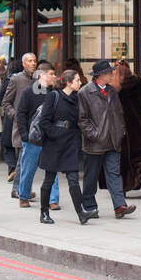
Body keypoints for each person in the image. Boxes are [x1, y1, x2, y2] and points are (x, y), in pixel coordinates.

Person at [78, 59, 134, 219]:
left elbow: (119, 113)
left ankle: (120, 206)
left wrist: (120, 131)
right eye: (109, 72)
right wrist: (95, 135)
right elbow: (82, 120)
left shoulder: (112, 91)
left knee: (114, 174)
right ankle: (89, 207)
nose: (112, 74)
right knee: (91, 176)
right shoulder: (84, 92)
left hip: (113, 140)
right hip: (95, 143)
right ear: (101, 75)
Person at [34, 70, 92, 225]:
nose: (80, 83)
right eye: (77, 80)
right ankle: (44, 213)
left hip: (71, 142)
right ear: (68, 82)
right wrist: (56, 134)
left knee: (73, 178)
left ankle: (81, 212)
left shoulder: (77, 98)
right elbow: (44, 121)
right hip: (54, 143)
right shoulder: (54, 96)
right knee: (49, 179)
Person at [15, 64, 60, 209]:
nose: (54, 77)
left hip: (50, 137)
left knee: (52, 169)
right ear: (41, 75)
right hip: (32, 138)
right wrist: (24, 134)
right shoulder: (29, 92)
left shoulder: (55, 93)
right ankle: (24, 196)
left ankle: (53, 200)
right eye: (51, 74)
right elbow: (21, 114)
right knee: (28, 169)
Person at [115, 60, 141, 198]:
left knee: (123, 159)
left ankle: (124, 187)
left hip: (121, 129)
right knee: (140, 157)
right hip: (139, 127)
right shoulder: (140, 84)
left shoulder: (116, 87)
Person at [1, 53, 39, 188]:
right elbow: (5, 102)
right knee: (24, 157)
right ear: (23, 64)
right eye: (30, 61)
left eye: (34, 61)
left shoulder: (38, 78)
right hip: (22, 125)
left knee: (29, 160)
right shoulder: (16, 79)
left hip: (37, 125)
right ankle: (17, 188)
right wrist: (15, 115)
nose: (33, 63)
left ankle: (22, 189)